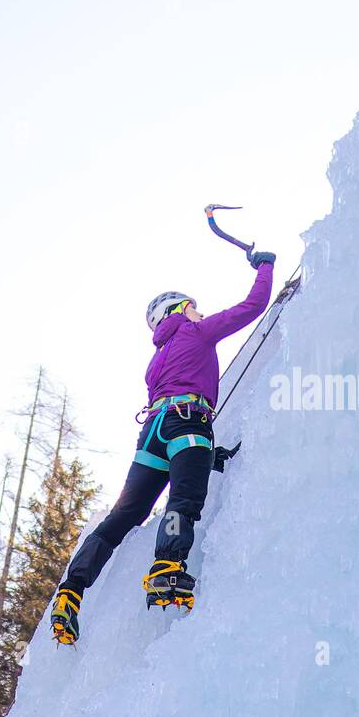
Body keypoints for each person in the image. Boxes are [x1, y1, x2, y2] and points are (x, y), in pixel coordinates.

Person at [49, 249, 277, 643]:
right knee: (184, 500)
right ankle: (167, 568)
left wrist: (206, 456)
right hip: (188, 422)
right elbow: (252, 306)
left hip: (153, 432)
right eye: (193, 306)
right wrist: (265, 266)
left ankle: (71, 590)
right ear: (179, 310)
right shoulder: (195, 332)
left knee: (123, 516)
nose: (200, 312)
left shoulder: (155, 361)